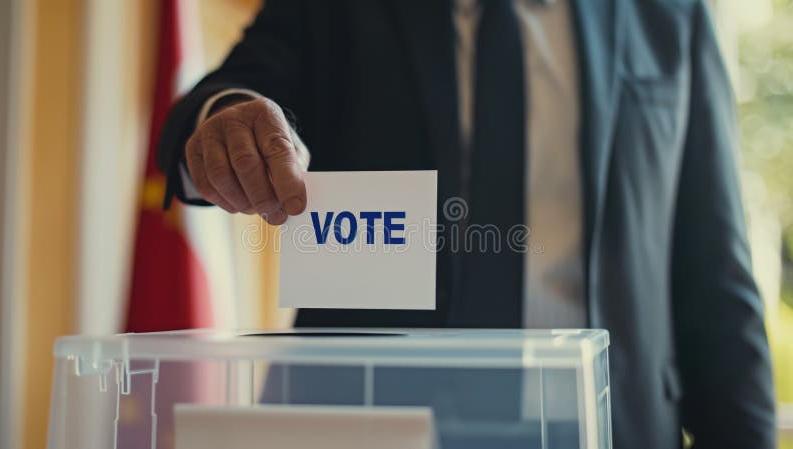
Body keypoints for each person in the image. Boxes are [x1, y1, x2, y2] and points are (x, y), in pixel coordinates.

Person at [158, 0, 776, 447]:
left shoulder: (672, 14)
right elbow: (220, 99)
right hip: (367, 423)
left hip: (609, 424)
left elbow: (714, 271)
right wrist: (229, 123)